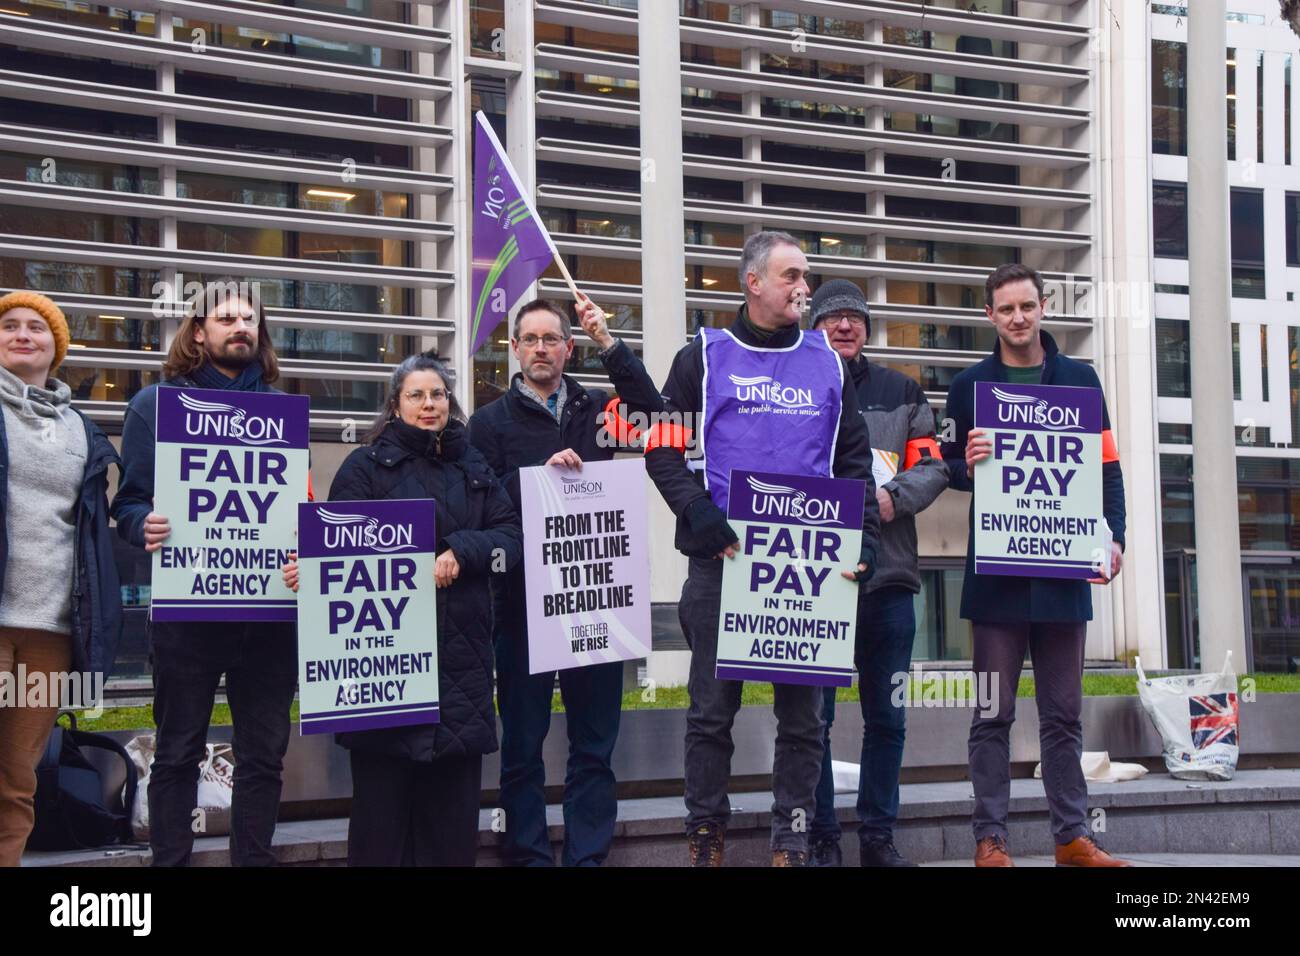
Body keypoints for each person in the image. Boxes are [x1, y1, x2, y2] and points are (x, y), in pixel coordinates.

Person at [644, 231, 882, 867]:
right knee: (709, 715)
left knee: (804, 722)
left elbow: (854, 463)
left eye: (806, 276)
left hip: (808, 568)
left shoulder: (829, 363)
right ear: (753, 283)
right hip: (721, 564)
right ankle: (706, 838)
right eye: (792, 276)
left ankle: (791, 843)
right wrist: (699, 512)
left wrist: (865, 542)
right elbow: (661, 448)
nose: (805, 287)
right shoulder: (702, 355)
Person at [283, 354, 522, 866]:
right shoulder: (362, 468)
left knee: (451, 835)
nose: (428, 404)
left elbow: (511, 540)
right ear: (395, 405)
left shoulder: (475, 466)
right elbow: (335, 549)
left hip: (460, 673)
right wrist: (315, 569)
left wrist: (462, 549)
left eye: (437, 394)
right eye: (416, 395)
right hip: (382, 678)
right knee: (380, 829)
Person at [941, 263, 1129, 868]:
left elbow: (1107, 470)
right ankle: (989, 840)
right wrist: (964, 462)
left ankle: (1071, 838)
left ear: (1043, 307)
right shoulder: (969, 385)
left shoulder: (1081, 380)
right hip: (996, 579)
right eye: (1005, 309)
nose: (1017, 318)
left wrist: (1115, 538)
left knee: (1063, 715)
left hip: (1063, 574)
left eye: (1027, 306)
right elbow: (942, 465)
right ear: (989, 315)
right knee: (991, 712)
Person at [467, 295, 660, 867]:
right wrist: (537, 483)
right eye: (531, 340)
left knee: (594, 748)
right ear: (515, 350)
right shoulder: (487, 423)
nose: (542, 348)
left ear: (568, 347)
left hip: (596, 603)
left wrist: (611, 343)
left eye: (553, 339)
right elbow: (477, 506)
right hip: (523, 605)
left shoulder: (600, 409)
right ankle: (528, 858)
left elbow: (659, 413)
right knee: (522, 747)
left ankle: (586, 859)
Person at [111, 280, 298, 867]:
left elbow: (294, 510)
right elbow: (129, 504)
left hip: (267, 615)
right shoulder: (154, 405)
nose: (241, 327)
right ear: (198, 332)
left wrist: (301, 550)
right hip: (188, 614)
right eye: (226, 318)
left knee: (265, 757)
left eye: (250, 319)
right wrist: (142, 523)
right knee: (177, 753)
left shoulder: (280, 408)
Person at [804, 280, 948, 867]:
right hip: (814, 583)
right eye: (833, 317)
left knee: (886, 716)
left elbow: (934, 468)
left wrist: (884, 501)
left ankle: (877, 838)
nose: (844, 326)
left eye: (854, 318)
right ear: (814, 325)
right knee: (812, 720)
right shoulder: (789, 386)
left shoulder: (901, 390)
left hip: (888, 580)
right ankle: (819, 838)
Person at [0, 290, 122, 867]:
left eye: (37, 328)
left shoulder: (80, 429)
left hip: (50, 631)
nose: (24, 334)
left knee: (18, 778)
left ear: (57, 347)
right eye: (10, 326)